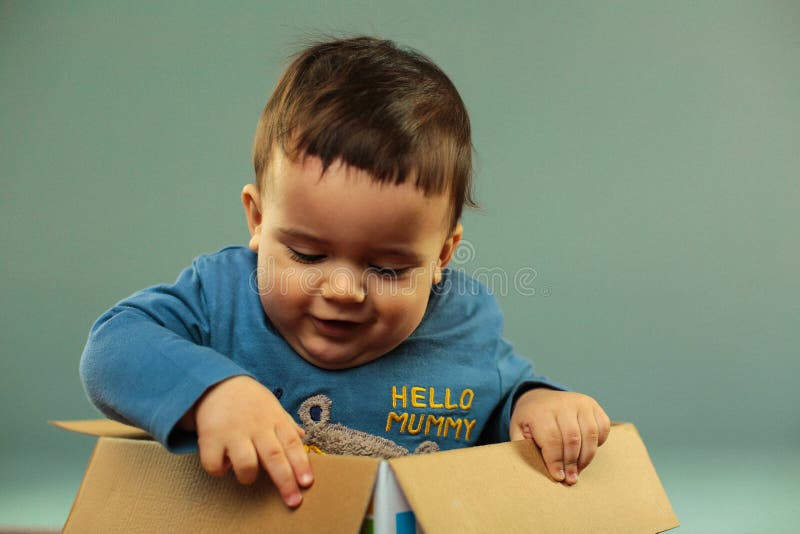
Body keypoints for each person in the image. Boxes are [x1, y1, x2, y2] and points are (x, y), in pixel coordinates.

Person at [80, 36, 611, 508]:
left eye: (388, 267)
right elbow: (111, 348)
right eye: (307, 256)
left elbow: (503, 401)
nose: (342, 290)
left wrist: (540, 405)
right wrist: (212, 393)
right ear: (259, 220)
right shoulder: (221, 296)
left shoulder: (461, 324)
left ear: (442, 258)